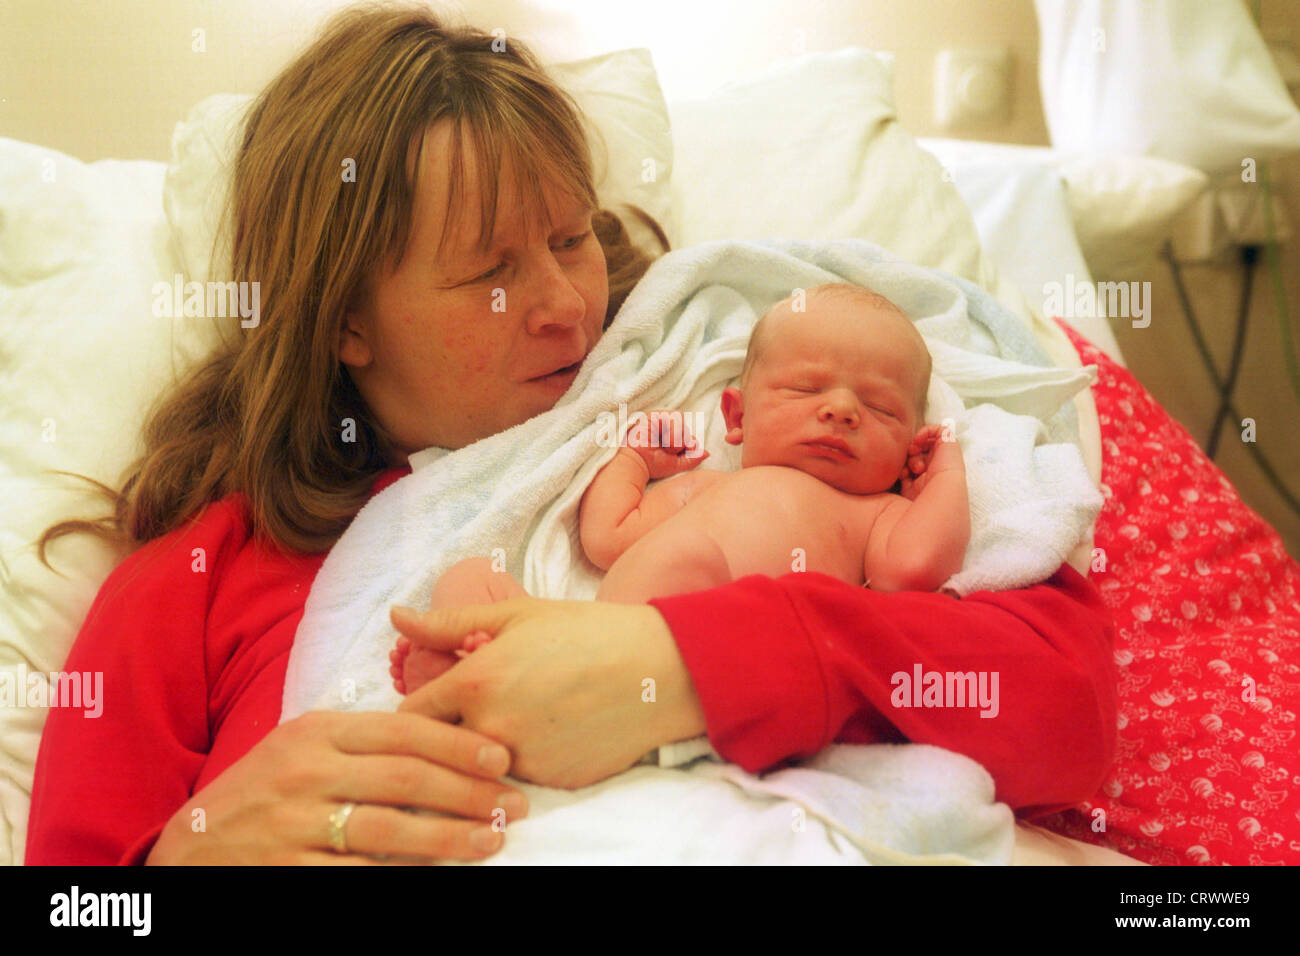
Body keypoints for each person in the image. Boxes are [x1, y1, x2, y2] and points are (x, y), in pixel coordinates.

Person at [24, 5, 1116, 866]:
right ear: (345, 317)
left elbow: (1069, 713)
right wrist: (188, 854)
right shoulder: (202, 579)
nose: (561, 301)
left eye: (571, 237)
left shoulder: (741, 412)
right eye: (492, 270)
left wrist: (684, 662)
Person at [391, 283, 970, 697]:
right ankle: (481, 670)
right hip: (592, 630)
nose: (842, 410)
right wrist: (633, 460)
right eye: (806, 389)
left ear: (907, 450)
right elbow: (607, 539)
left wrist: (945, 473)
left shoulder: (875, 514)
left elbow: (912, 569)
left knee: (684, 553)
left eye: (878, 407)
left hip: (698, 666)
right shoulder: (705, 488)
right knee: (469, 576)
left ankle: (539, 680)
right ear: (736, 417)